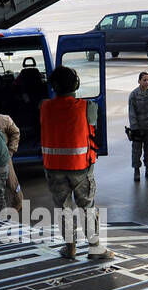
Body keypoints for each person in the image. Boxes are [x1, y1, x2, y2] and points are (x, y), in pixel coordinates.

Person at [40, 65, 113, 260]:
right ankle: (95, 247)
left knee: (63, 208)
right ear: (76, 84)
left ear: (54, 86)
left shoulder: (44, 106)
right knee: (87, 207)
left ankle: (70, 247)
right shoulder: (86, 107)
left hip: (53, 167)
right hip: (80, 166)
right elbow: (93, 127)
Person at [126, 71, 148, 182]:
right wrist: (135, 128)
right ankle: (136, 170)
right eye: (144, 80)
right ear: (139, 81)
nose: (147, 82)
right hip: (139, 128)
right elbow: (132, 113)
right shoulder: (134, 95)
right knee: (137, 150)